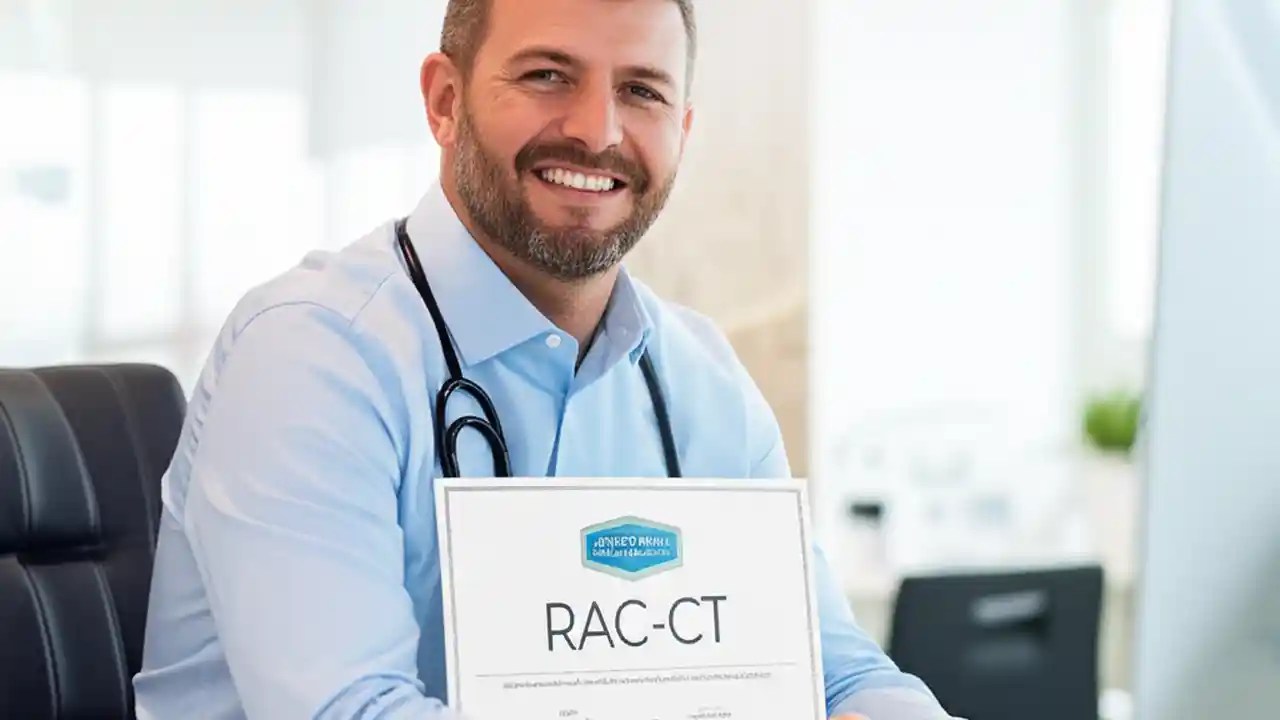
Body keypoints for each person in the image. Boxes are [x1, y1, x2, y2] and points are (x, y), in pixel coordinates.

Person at [133, 0, 955, 718]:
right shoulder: (314, 355)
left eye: (641, 90)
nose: (598, 131)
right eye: (548, 76)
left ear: (682, 130)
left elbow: (837, 672)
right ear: (445, 101)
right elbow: (353, 712)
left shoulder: (702, 382)